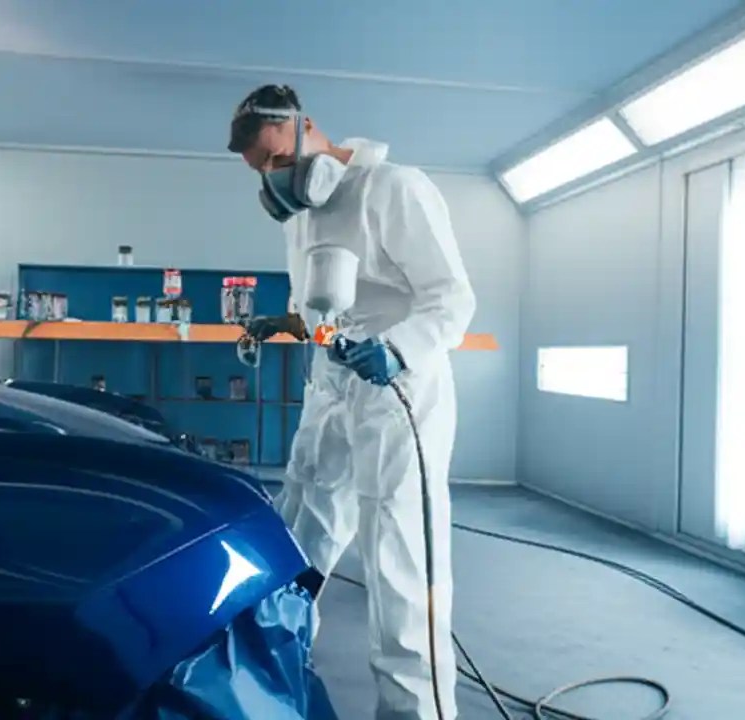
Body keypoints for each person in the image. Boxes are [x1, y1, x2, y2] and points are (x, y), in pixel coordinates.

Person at [228, 85, 476, 720]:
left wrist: (397, 348)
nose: (274, 177)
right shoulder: (302, 215)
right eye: (260, 170)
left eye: (278, 158)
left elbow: (452, 299)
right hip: (331, 387)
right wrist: (286, 323)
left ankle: (415, 712)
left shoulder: (394, 188)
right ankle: (271, 680)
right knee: (298, 535)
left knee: (398, 558)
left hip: (397, 394)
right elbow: (329, 306)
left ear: (307, 127)